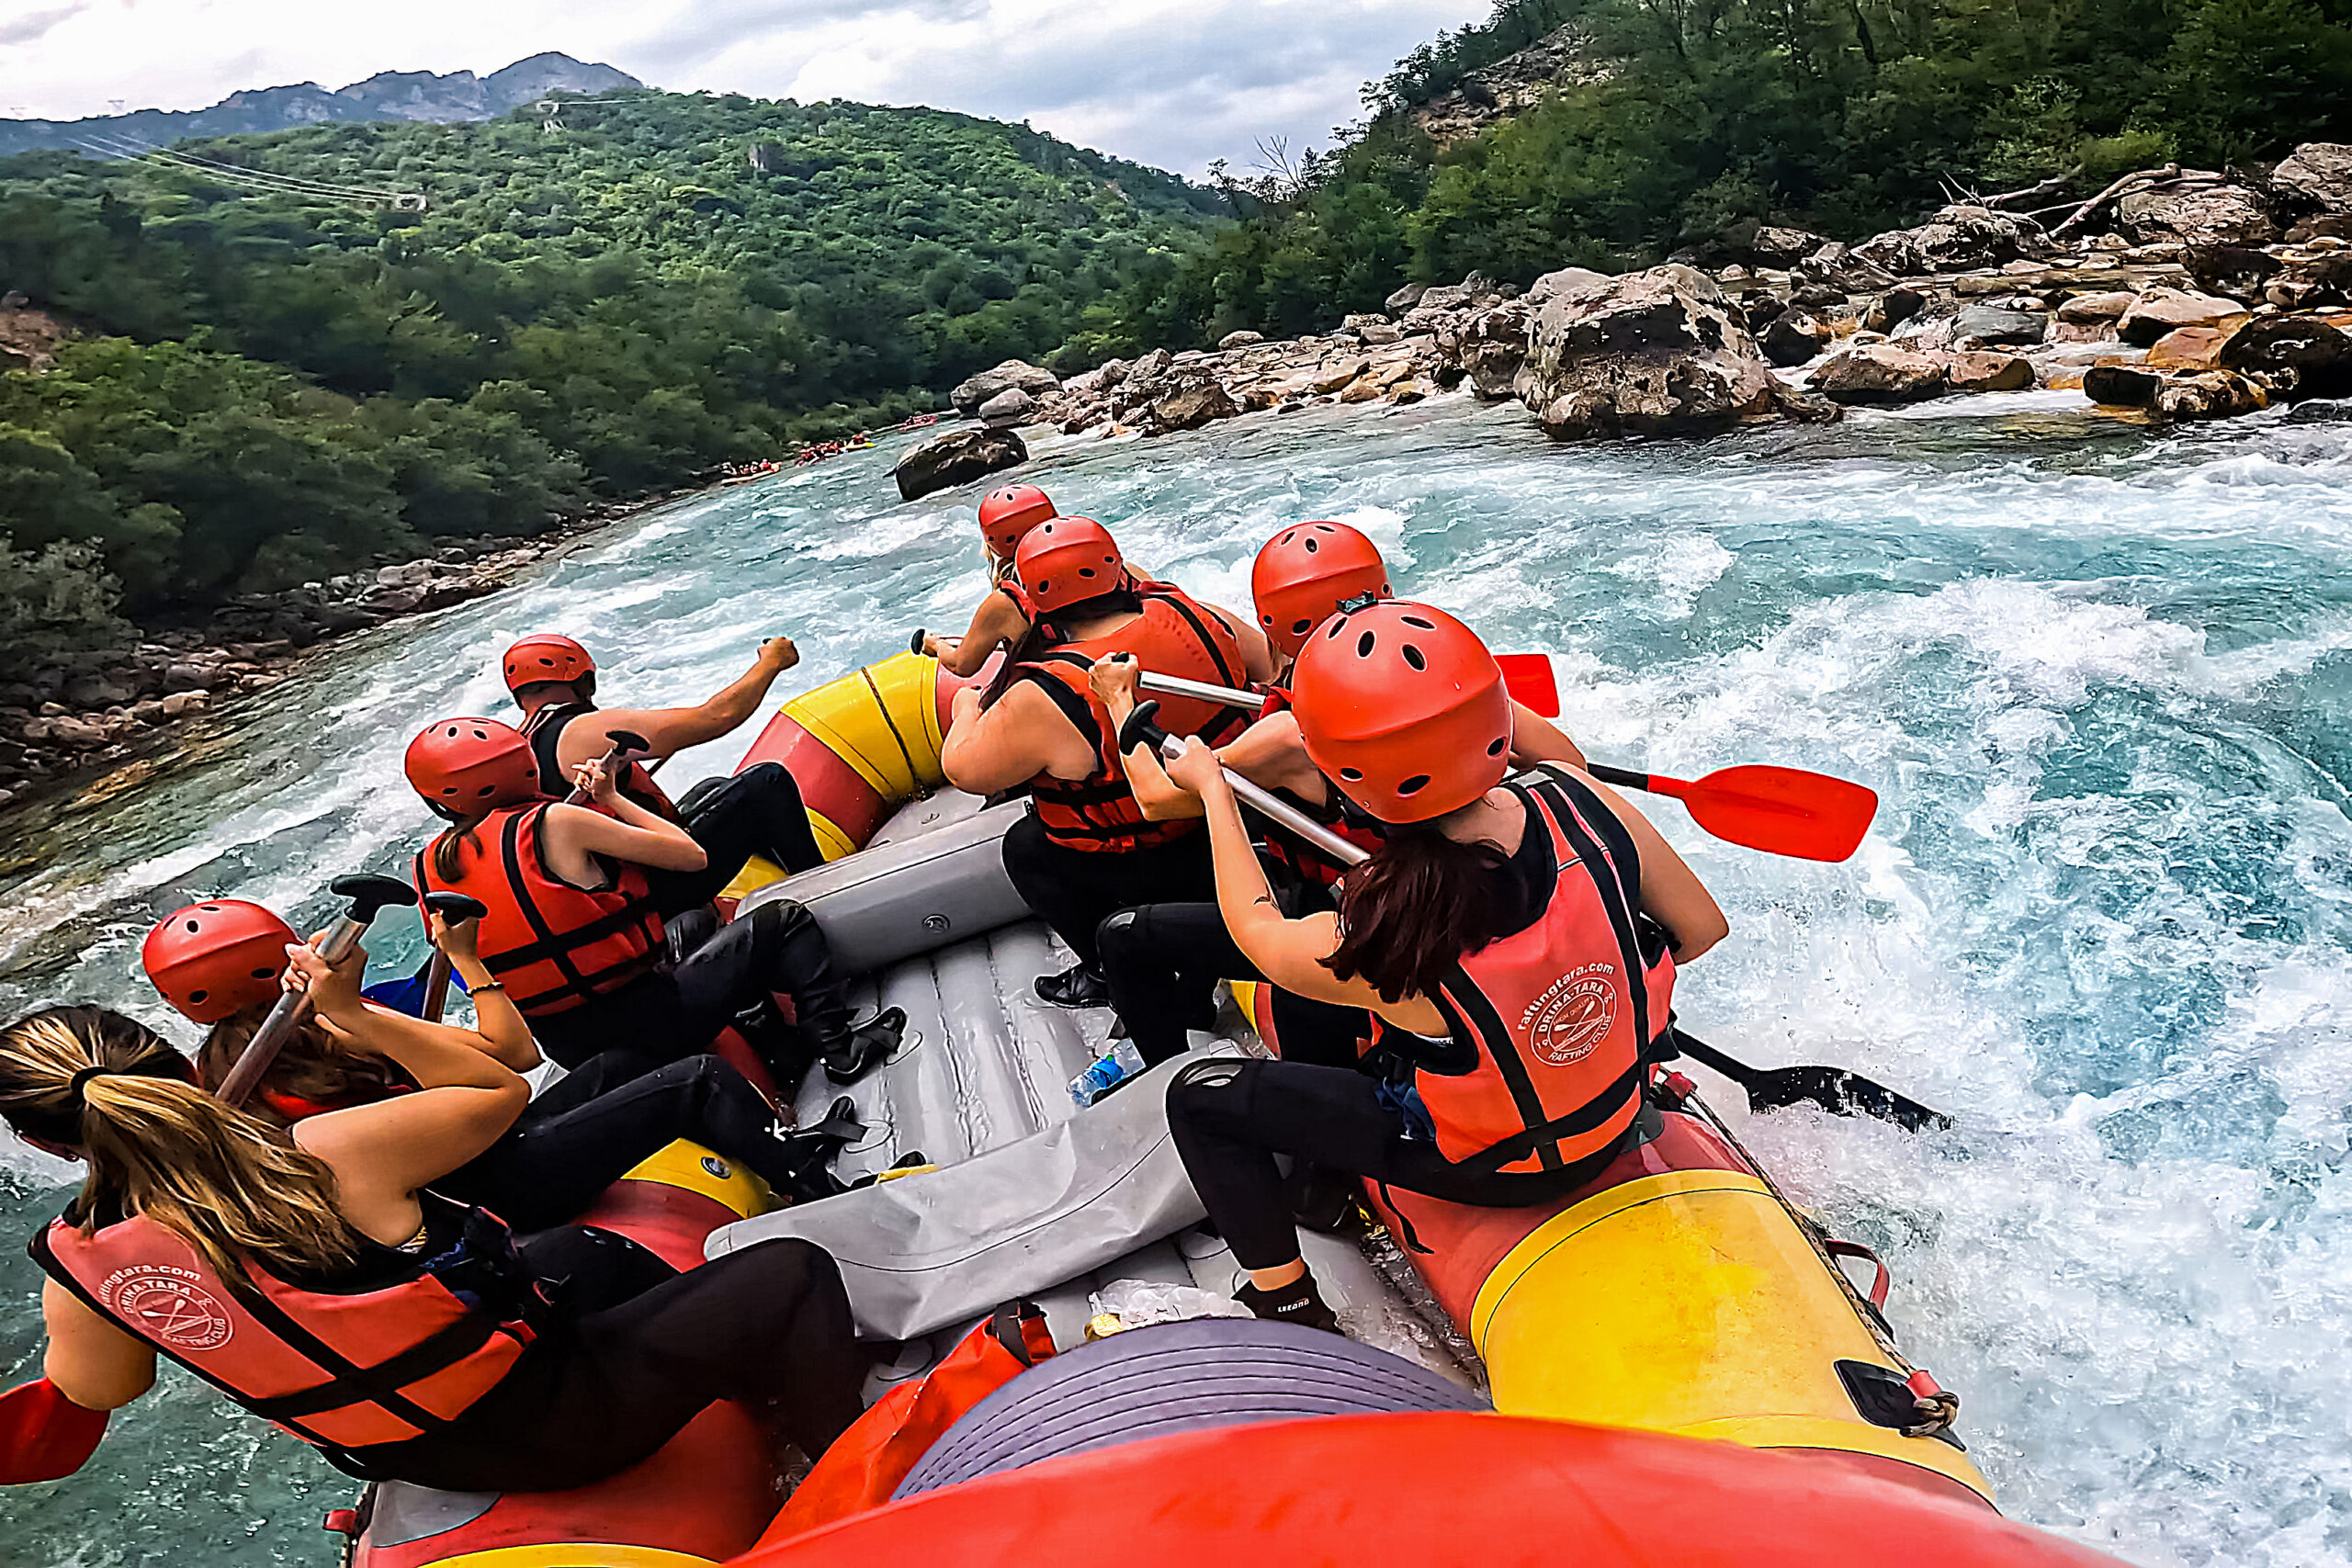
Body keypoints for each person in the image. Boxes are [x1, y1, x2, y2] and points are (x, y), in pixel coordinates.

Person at [8, 994, 864, 1494]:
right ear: (180, 1068)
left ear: (46, 1145)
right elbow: (501, 1083)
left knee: (576, 1253)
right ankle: (844, 1456)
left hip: (425, 1457)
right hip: (570, 1418)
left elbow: (102, 1388)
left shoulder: (77, 1264)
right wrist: (350, 1010)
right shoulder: (325, 1151)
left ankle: (730, 1374)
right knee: (791, 1272)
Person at [1158, 601, 1728, 1330]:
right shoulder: (1577, 796)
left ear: (1345, 770)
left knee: (1201, 1096)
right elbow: (1701, 929)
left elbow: (1257, 931)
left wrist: (1214, 790)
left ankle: (1287, 1297)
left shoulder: (1386, 926)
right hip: (1618, 1112)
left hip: (1494, 1168)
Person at [1082, 522, 1590, 1076]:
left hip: (1363, 911)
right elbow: (1569, 766)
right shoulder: (1443, 672)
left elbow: (1157, 800)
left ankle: (1167, 1066)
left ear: (1276, 627)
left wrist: (1118, 700)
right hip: (1474, 876)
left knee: (1124, 935)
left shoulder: (1286, 735)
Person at [142, 899, 854, 1223]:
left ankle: (748, 1165)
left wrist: (457, 958)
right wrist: (451, 967)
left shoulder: (222, 1079)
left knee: (617, 1064)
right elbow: (512, 1063)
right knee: (697, 1079)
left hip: (450, 1188)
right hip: (496, 1189)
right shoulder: (337, 1025)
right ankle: (816, 1186)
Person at [406, 716, 897, 1088]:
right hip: (656, 1021)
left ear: (440, 801)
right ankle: (839, 1049)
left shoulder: (429, 867)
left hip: (574, 1050)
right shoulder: (558, 821)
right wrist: (610, 796)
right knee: (782, 920)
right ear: (526, 764)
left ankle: (777, 1046)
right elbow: (692, 856)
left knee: (695, 927)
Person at [940, 517, 1272, 1009]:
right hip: (1245, 820)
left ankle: (1106, 972)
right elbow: (1266, 664)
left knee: (1027, 849)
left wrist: (966, 706)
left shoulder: (1046, 693)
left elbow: (963, 770)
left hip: (1162, 851)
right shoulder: (1192, 611)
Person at [503, 632, 826, 908]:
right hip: (653, 888)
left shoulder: (522, 745)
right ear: (584, 681)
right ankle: (823, 891)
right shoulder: (577, 730)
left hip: (614, 884)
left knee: (712, 786)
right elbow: (718, 717)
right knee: (765, 782)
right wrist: (772, 661)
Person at [921, 484, 1056, 679]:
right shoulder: (1093, 565)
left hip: (1052, 690)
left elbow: (961, 665)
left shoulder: (1004, 603)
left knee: (965, 695)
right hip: (1091, 673)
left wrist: (936, 645)